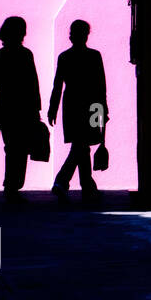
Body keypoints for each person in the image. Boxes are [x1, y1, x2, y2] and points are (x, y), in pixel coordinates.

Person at [0, 16, 42, 203]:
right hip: (23, 110)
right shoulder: (25, 54)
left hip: (5, 109)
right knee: (20, 150)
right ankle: (13, 186)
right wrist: (36, 109)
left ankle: (10, 186)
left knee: (12, 149)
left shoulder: (0, 55)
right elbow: (33, 84)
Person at [48, 20, 108, 201]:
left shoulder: (64, 57)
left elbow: (57, 85)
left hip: (72, 105)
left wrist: (53, 108)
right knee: (82, 146)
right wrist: (103, 109)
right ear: (86, 34)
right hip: (92, 106)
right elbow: (101, 86)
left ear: (71, 35)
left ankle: (84, 185)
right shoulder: (94, 56)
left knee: (80, 146)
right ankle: (69, 183)